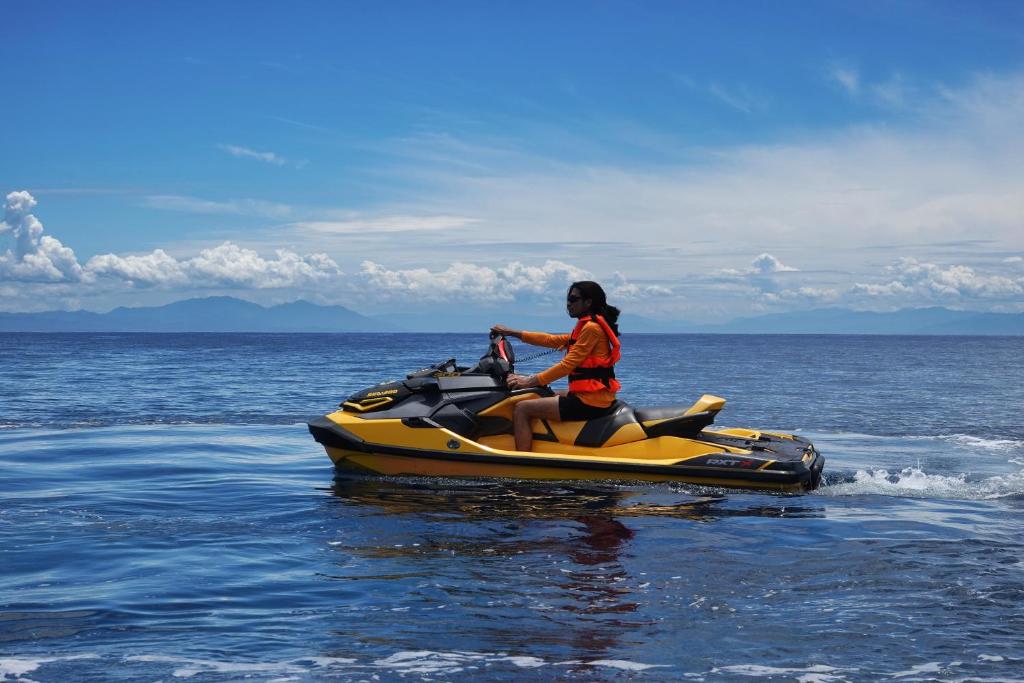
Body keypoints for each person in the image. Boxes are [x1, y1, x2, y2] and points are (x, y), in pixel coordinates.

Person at [491, 280, 621, 452]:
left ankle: (523, 461)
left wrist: (529, 381)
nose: (568, 303)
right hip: (592, 396)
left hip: (590, 402)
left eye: (574, 299)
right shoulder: (585, 326)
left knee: (522, 408)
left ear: (588, 302)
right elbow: (550, 340)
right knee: (541, 393)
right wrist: (512, 333)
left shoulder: (592, 329)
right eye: (568, 298)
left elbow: (567, 365)